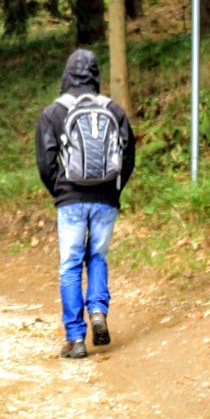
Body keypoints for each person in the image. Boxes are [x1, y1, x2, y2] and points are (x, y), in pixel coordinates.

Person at [35, 48, 135, 359]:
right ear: (96, 75)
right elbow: (128, 156)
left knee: (70, 265)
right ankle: (98, 310)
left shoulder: (53, 113)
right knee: (98, 257)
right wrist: (114, 191)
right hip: (106, 198)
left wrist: (60, 191)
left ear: (66, 74)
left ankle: (76, 339)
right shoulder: (114, 111)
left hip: (70, 198)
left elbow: (45, 162)